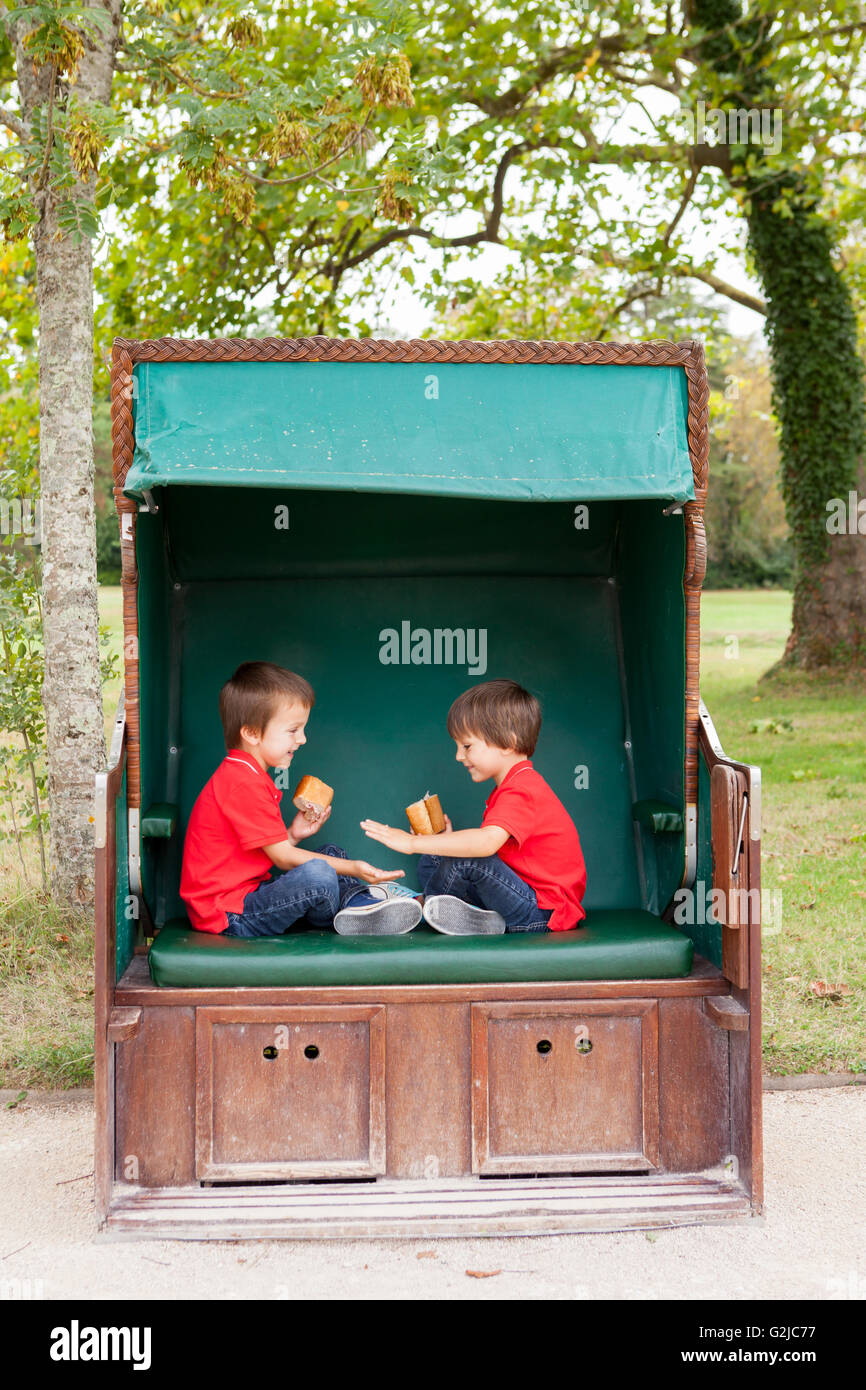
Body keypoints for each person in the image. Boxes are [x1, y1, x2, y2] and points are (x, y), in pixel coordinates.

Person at [179, 661, 422, 937]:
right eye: (293, 730)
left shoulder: (246, 773)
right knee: (318, 873)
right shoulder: (241, 781)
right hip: (230, 915)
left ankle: (360, 904)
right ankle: (360, 901)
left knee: (329, 854)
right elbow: (283, 858)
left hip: (246, 898)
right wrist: (355, 869)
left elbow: (261, 854)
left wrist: (293, 833)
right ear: (251, 733)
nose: (303, 739)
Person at [361, 678, 587, 935]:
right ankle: (467, 915)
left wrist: (411, 843)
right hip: (520, 898)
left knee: (466, 857)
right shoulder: (512, 785)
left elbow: (484, 845)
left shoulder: (522, 788)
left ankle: (419, 908)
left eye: (467, 746)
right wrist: (444, 843)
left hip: (541, 912)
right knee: (434, 857)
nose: (459, 756)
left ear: (508, 742)